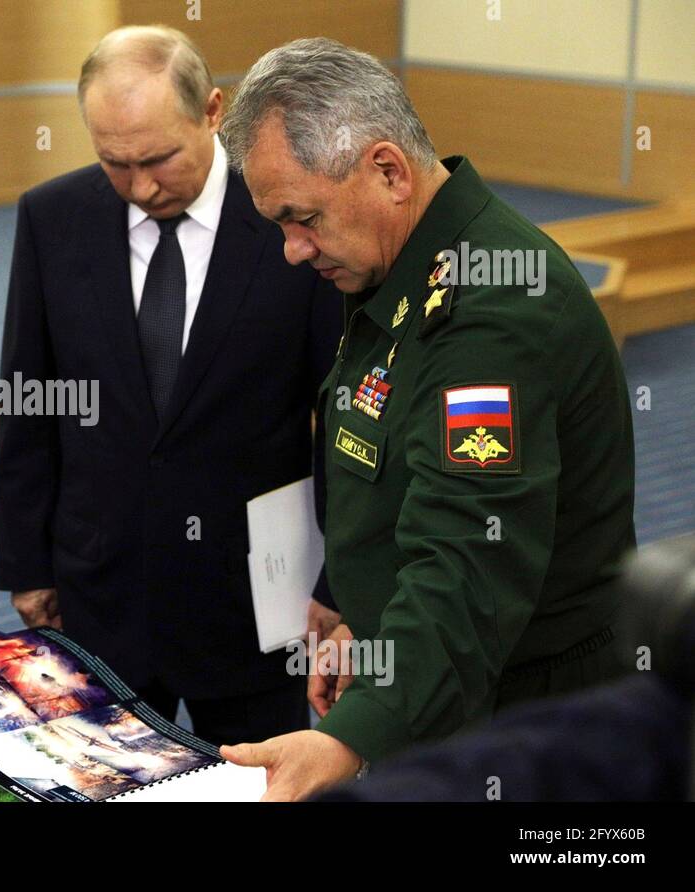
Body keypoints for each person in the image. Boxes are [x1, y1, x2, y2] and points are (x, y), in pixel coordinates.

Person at [217, 37, 635, 798]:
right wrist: (362, 618)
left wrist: (346, 739)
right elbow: (398, 480)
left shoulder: (493, 310)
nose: (291, 250)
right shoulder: (401, 265)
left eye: (302, 217)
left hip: (525, 724)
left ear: (388, 171)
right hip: (449, 690)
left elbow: (467, 566)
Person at [0, 25, 341, 744]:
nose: (141, 186)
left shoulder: (289, 218)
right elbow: (29, 399)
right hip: (101, 593)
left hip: (254, 609)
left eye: (159, 159)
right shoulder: (52, 218)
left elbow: (343, 423)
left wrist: (339, 586)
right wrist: (26, 566)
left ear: (214, 111)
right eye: (115, 163)